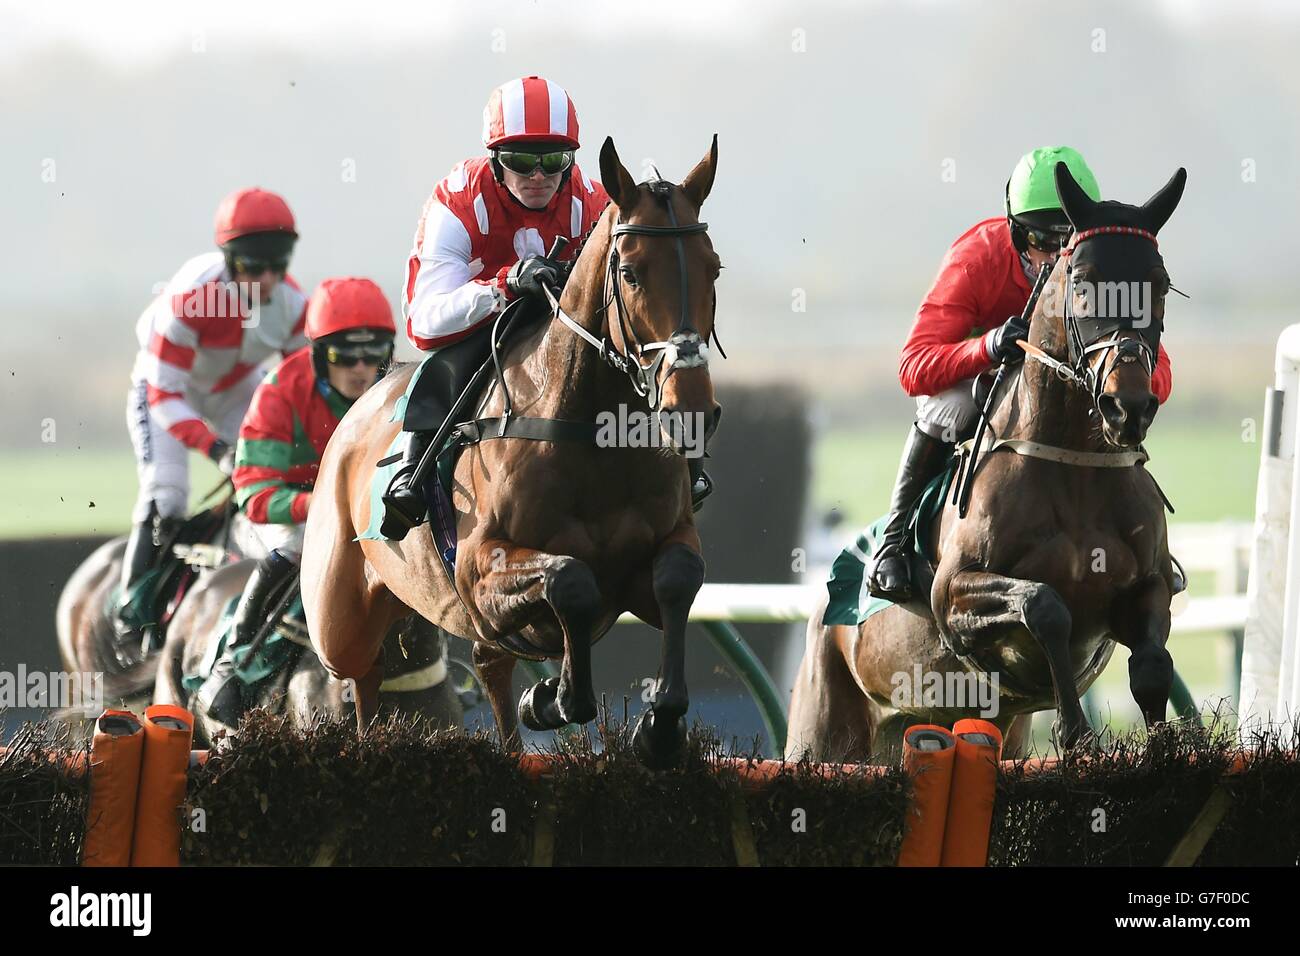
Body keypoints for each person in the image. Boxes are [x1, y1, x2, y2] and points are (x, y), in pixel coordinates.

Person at [381, 75, 715, 539]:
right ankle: (411, 474)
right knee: (450, 363)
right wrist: (504, 286)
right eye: (521, 161)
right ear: (495, 160)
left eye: (553, 161)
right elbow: (424, 323)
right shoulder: (457, 201)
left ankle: (685, 465)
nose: (538, 176)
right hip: (477, 321)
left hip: (561, 326)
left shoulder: (595, 203)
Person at [866, 147, 1175, 602]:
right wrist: (987, 346)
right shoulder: (976, 258)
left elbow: (1159, 369)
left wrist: (1128, 383)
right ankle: (893, 543)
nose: (1052, 257)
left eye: (1064, 240)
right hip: (977, 380)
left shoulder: (1095, 268)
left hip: (1060, 394)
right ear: (1013, 229)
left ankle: (1144, 553)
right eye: (1039, 239)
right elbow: (913, 367)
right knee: (946, 406)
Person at [194, 277, 397, 725]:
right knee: (298, 545)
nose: (361, 368)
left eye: (374, 351)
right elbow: (257, 494)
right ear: (317, 354)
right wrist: (327, 509)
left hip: (363, 515)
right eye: (344, 354)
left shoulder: (396, 392)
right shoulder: (281, 390)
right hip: (280, 514)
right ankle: (234, 666)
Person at [115, 187, 307, 643]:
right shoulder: (192, 296)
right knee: (168, 492)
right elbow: (165, 396)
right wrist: (217, 449)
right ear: (228, 258)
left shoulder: (293, 306)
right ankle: (131, 611)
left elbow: (303, 392)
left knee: (277, 469)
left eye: (277, 267)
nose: (265, 281)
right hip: (165, 390)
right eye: (251, 267)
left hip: (233, 388)